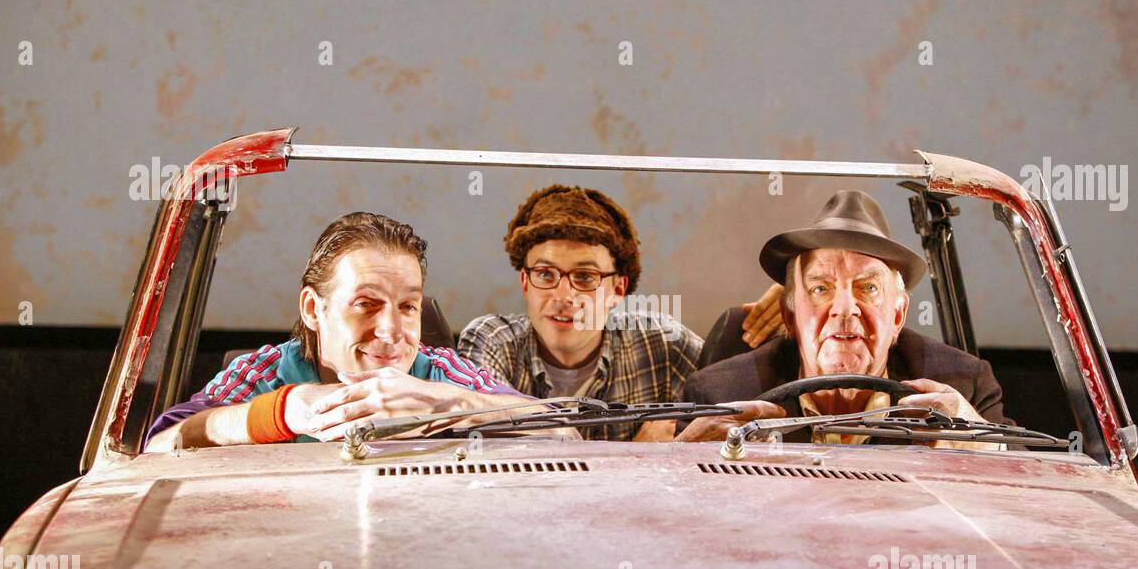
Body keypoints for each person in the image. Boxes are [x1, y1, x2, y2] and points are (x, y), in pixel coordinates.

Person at [145, 212, 528, 451]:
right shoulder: (264, 374)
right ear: (313, 309)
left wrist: (446, 404)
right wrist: (279, 413)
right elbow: (159, 445)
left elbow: (557, 426)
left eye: (408, 306)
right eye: (366, 304)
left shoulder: (440, 373)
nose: (392, 331)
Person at [676, 190, 1008, 448]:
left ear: (898, 315)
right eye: (821, 288)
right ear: (790, 316)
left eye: (868, 288)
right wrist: (686, 459)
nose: (845, 309)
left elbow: (1022, 489)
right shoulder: (720, 395)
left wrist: (982, 445)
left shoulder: (964, 384)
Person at [457, 184, 784, 441]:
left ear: (618, 289)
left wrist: (796, 303)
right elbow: (485, 451)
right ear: (525, 282)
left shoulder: (662, 345)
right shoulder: (492, 342)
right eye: (545, 274)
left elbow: (735, 405)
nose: (564, 295)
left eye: (585, 277)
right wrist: (639, 456)